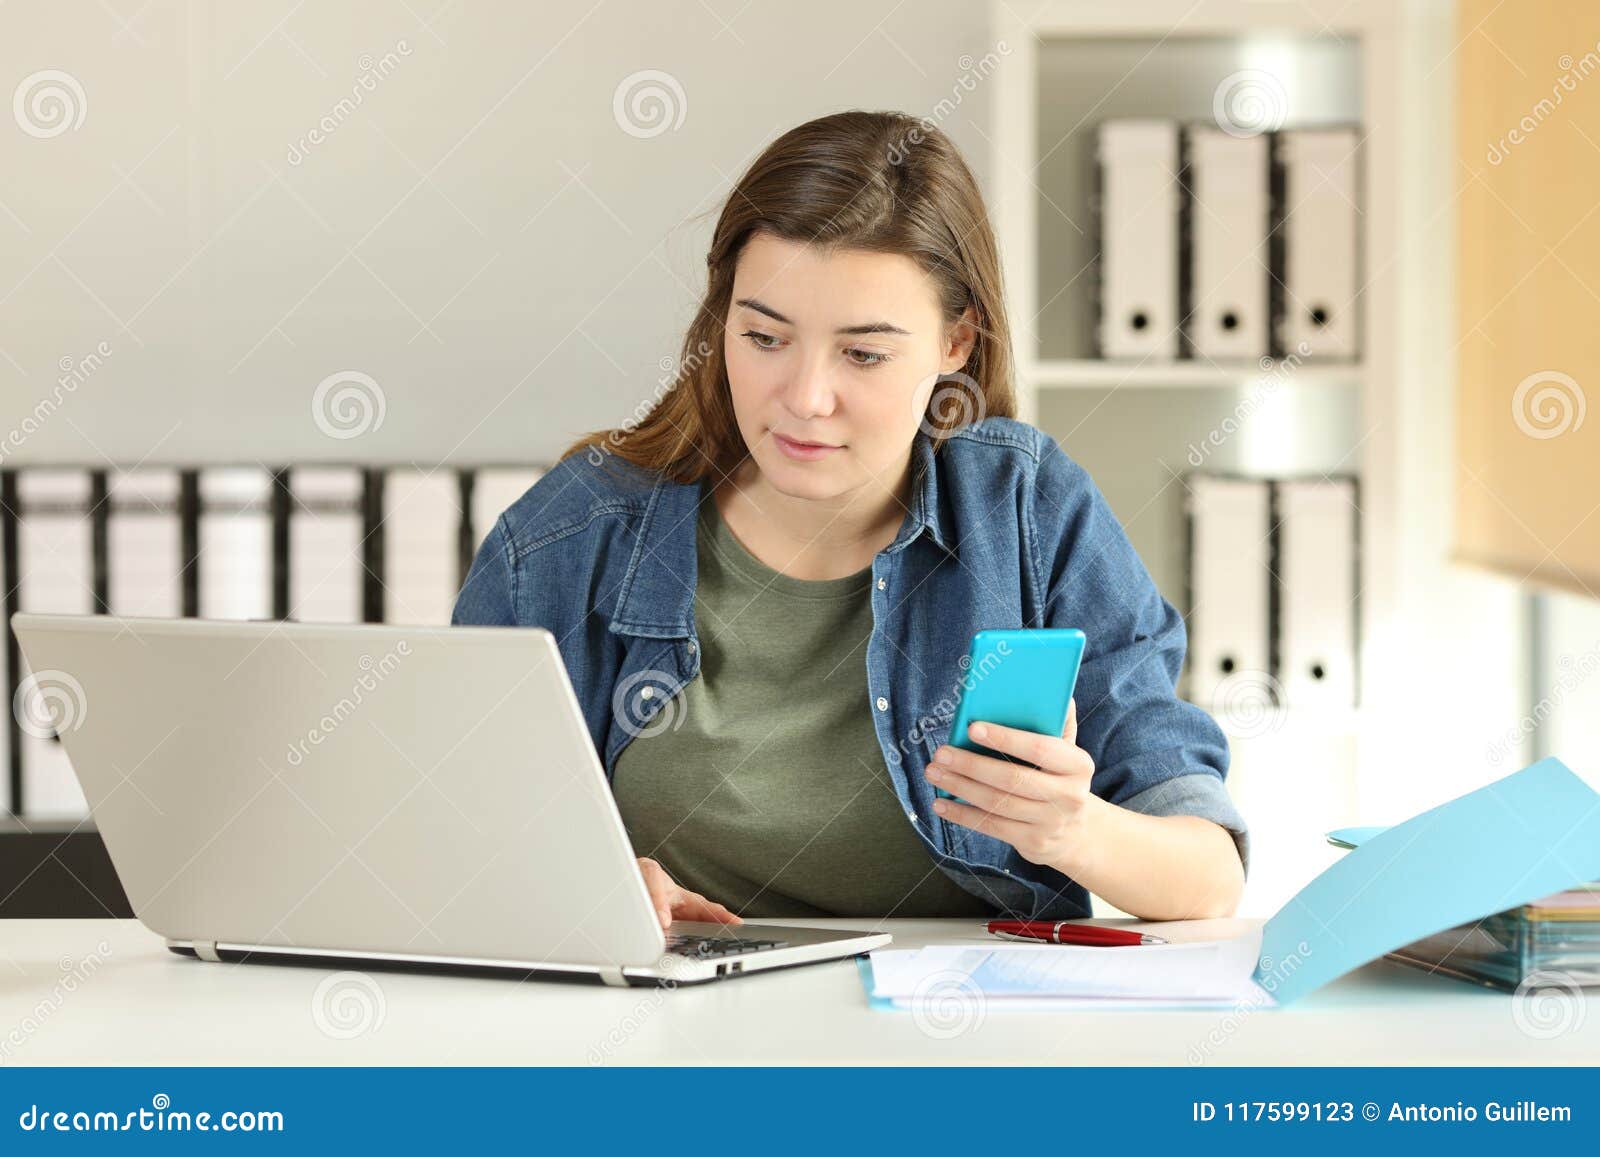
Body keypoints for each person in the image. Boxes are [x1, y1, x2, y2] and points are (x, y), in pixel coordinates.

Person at [452, 110, 1248, 929]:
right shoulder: (572, 534)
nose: (804, 397)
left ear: (956, 342)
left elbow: (1208, 877)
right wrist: (584, 884)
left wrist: (1073, 828)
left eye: (862, 354)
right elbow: (448, 849)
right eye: (764, 336)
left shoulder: (1026, 511)